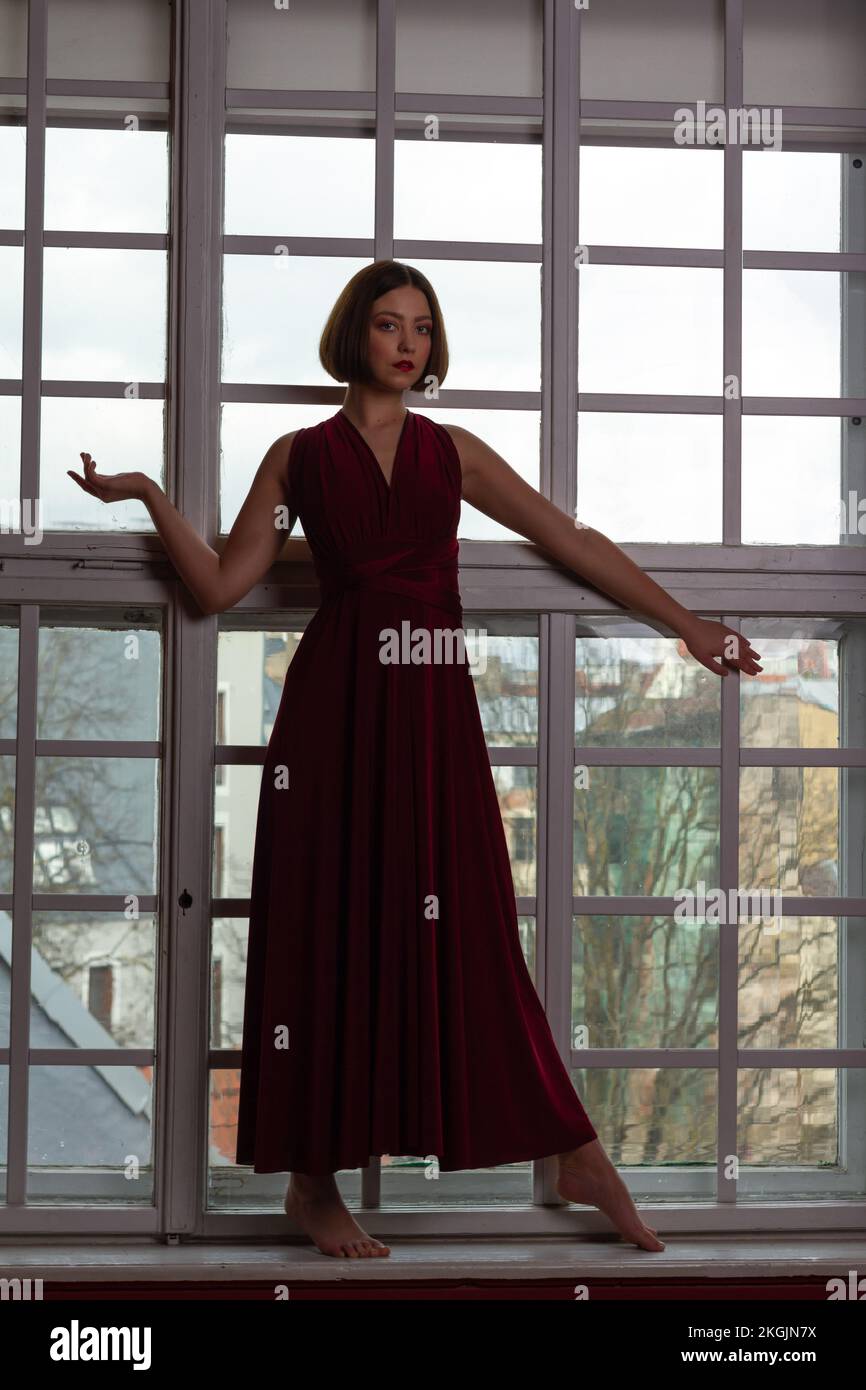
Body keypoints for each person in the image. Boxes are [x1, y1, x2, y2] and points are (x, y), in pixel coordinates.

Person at [69, 259, 762, 1261]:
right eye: (389, 324)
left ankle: (571, 1148)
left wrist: (687, 623)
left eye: (422, 329)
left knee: (468, 929)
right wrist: (143, 492)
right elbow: (222, 585)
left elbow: (571, 538)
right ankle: (311, 1186)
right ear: (354, 336)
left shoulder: (453, 453)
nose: (407, 343)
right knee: (327, 930)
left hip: (432, 706)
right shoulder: (296, 457)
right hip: (332, 714)